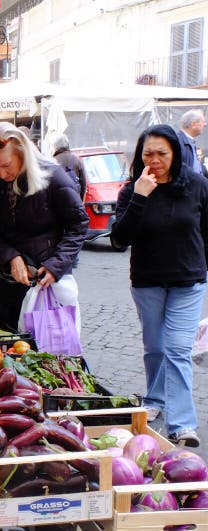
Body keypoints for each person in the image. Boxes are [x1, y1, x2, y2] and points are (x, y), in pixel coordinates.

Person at [112, 124, 208, 447]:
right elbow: (119, 239)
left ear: (176, 155)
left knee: (178, 350)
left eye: (161, 154)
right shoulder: (131, 191)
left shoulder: (196, 186)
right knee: (155, 347)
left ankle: (182, 424)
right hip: (147, 282)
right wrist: (140, 197)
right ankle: (155, 399)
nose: (154, 160)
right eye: (148, 154)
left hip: (188, 281)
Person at [0, 122, 88, 331]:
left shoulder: (54, 177)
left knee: (48, 347)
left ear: (22, 153)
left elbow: (78, 224)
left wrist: (55, 265)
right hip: (8, 282)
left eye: (6, 166)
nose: (1, 174)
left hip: (47, 279)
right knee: (11, 339)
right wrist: (10, 256)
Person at [51, 134, 87, 200]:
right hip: (75, 200)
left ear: (55, 146)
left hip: (59, 202)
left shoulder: (52, 162)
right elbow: (83, 185)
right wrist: (80, 201)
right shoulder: (77, 159)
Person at [176, 109, 208, 179]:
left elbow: (196, 167)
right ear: (193, 124)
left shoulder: (189, 141)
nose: (205, 125)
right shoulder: (178, 142)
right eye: (203, 122)